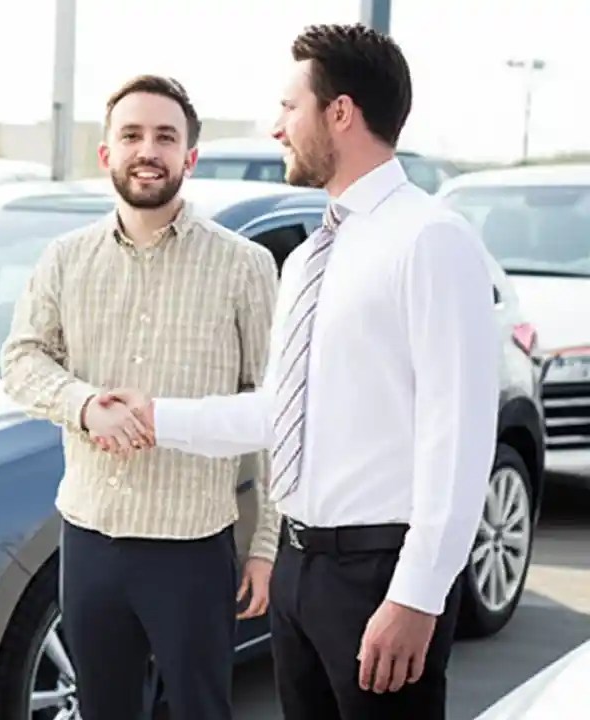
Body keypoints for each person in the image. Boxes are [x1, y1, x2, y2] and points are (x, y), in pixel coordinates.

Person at [94, 24, 498, 720]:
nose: (277, 127)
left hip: (378, 574)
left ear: (340, 113)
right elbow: (276, 410)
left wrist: (418, 593)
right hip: (299, 569)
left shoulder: (430, 239)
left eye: (289, 108)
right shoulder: (314, 255)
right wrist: (156, 415)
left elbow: (457, 435)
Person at [0, 73, 282, 720]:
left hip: (192, 545)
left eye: (164, 136)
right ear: (107, 154)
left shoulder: (245, 266)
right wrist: (83, 402)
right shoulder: (65, 259)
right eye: (131, 135)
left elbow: (274, 411)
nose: (146, 149)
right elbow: (21, 361)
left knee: (198, 710)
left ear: (190, 156)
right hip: (90, 538)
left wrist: (265, 546)